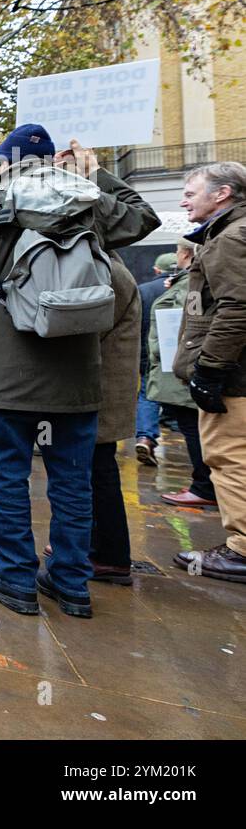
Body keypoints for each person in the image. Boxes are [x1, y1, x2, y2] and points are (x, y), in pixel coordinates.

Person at [0, 128, 159, 619]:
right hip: (76, 370)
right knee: (72, 481)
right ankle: (71, 583)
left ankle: (16, 579)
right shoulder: (86, 202)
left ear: (5, 163)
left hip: (4, 371)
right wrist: (92, 170)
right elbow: (144, 216)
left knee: (5, 476)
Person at [171, 162, 246, 583]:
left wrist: (209, 369)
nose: (184, 199)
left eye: (191, 191)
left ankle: (240, 549)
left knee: (229, 458)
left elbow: (237, 308)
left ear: (222, 194)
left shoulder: (229, 239)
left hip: (234, 380)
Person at [85, 251, 142, 585]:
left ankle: (108, 554)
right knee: (95, 471)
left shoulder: (109, 272)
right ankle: (99, 545)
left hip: (102, 392)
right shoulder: (110, 268)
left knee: (98, 472)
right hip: (103, 390)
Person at [145, 243, 216, 508]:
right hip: (186, 365)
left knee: (195, 429)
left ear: (186, 254)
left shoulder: (193, 283)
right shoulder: (187, 282)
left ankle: (205, 486)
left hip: (187, 367)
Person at [134, 252, 179, 465]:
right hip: (178, 352)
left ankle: (145, 436)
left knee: (147, 392)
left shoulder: (143, 290)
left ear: (156, 271)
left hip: (148, 350)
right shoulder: (185, 287)